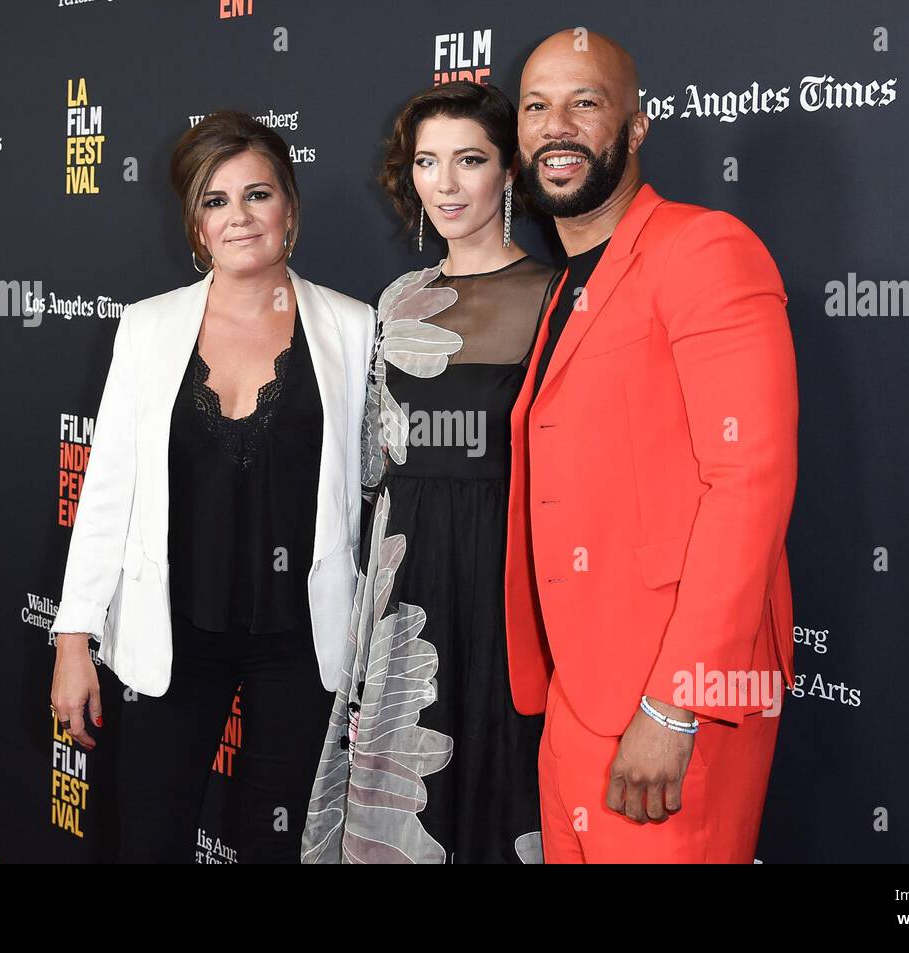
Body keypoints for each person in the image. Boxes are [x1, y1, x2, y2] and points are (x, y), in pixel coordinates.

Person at [505, 30, 800, 863]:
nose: (555, 126)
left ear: (635, 129)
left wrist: (675, 705)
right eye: (536, 107)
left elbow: (750, 485)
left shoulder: (705, 249)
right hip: (577, 695)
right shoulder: (570, 280)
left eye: (584, 103)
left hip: (672, 707)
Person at [48, 111, 374, 863]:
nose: (239, 218)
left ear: (289, 206)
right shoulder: (146, 327)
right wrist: (73, 640)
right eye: (216, 200)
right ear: (195, 223)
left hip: (301, 640)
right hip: (174, 630)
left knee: (279, 841)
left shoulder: (353, 328)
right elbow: (106, 495)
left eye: (257, 194)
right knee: (152, 837)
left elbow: (371, 490)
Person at [301, 82, 559, 864]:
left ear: (508, 172)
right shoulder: (399, 299)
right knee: (402, 785)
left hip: (510, 576)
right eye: (426, 162)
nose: (445, 185)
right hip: (406, 577)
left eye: (469, 160)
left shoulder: (558, 297)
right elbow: (378, 462)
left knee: (501, 771)